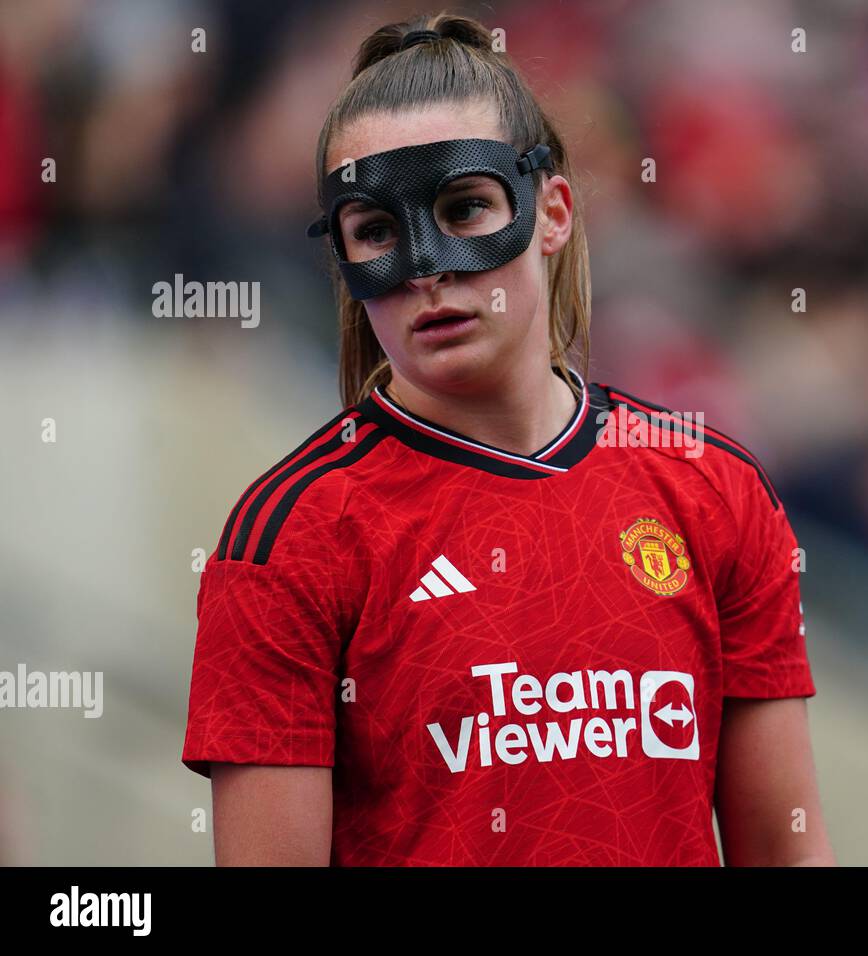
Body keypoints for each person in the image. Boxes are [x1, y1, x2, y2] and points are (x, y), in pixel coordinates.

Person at [181, 12, 833, 867]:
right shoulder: (293, 538)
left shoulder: (714, 489)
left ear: (552, 210)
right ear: (341, 257)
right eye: (376, 231)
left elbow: (788, 852)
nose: (426, 270)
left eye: (464, 207)